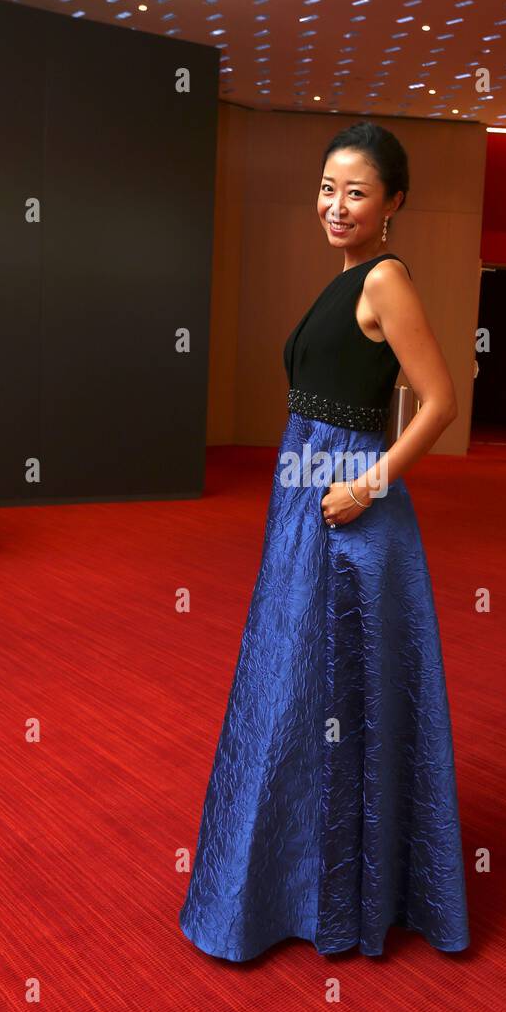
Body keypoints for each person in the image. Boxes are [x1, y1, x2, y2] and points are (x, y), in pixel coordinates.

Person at [179, 121, 471, 962]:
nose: (336, 206)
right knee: (294, 682)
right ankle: (290, 887)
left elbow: (440, 400)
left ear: (393, 204)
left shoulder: (384, 280)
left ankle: (339, 894)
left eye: (356, 192)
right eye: (327, 189)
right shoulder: (342, 277)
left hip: (348, 507)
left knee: (330, 689)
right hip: (305, 496)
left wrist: (367, 483)